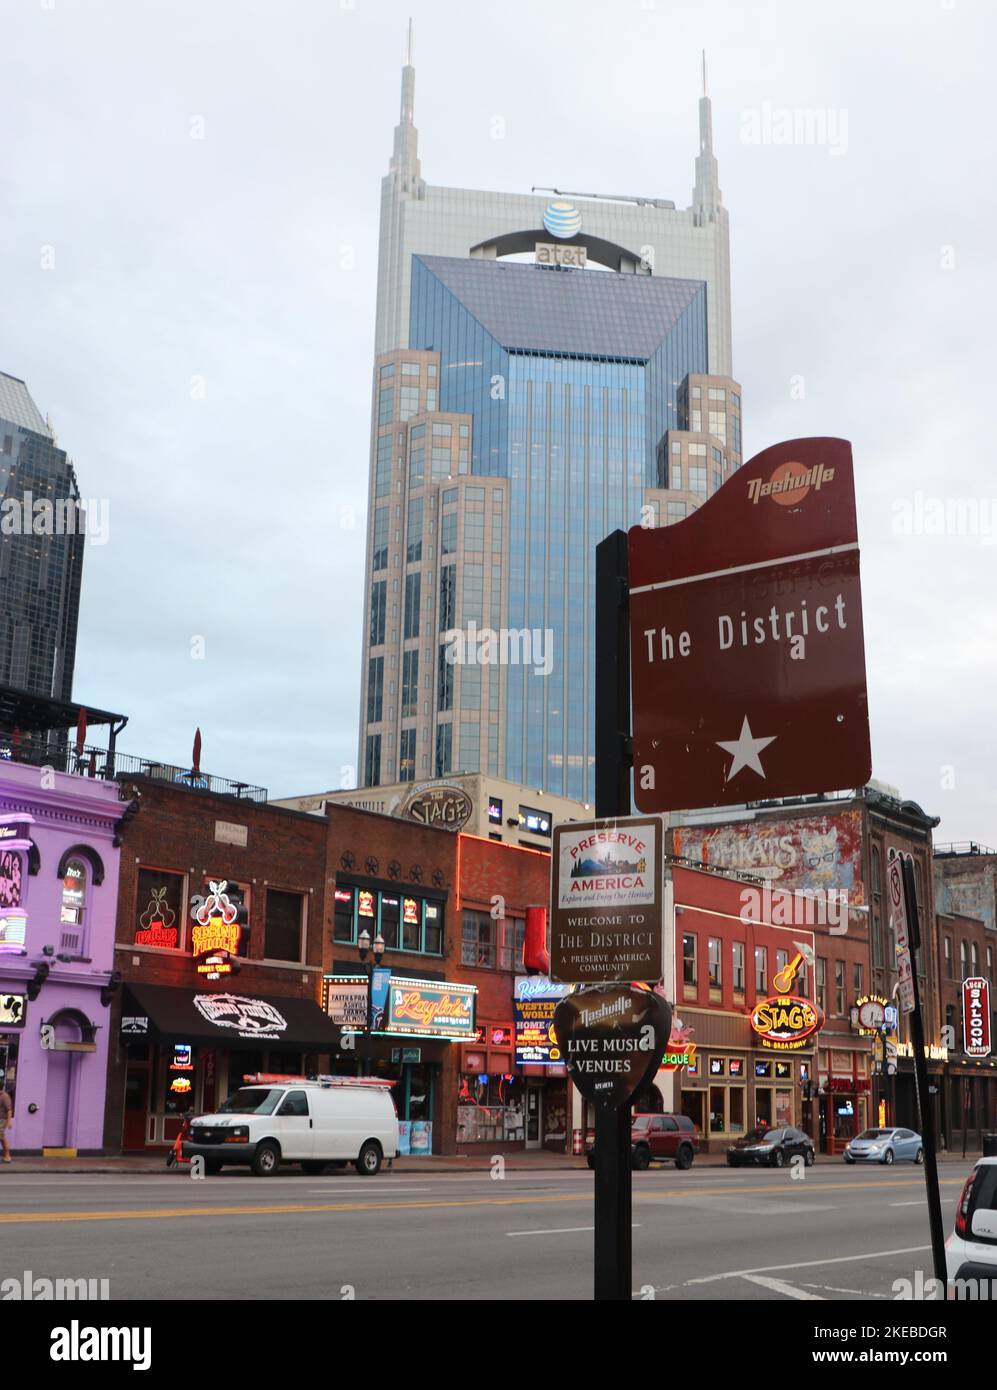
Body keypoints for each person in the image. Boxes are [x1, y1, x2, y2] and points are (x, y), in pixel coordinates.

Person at [0, 1087, 12, 1163]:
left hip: (2, 1120)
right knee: (1, 1138)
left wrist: (9, 1121)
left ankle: (7, 1156)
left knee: (2, 1137)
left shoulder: (5, 1096)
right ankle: (6, 1156)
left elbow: (9, 1109)